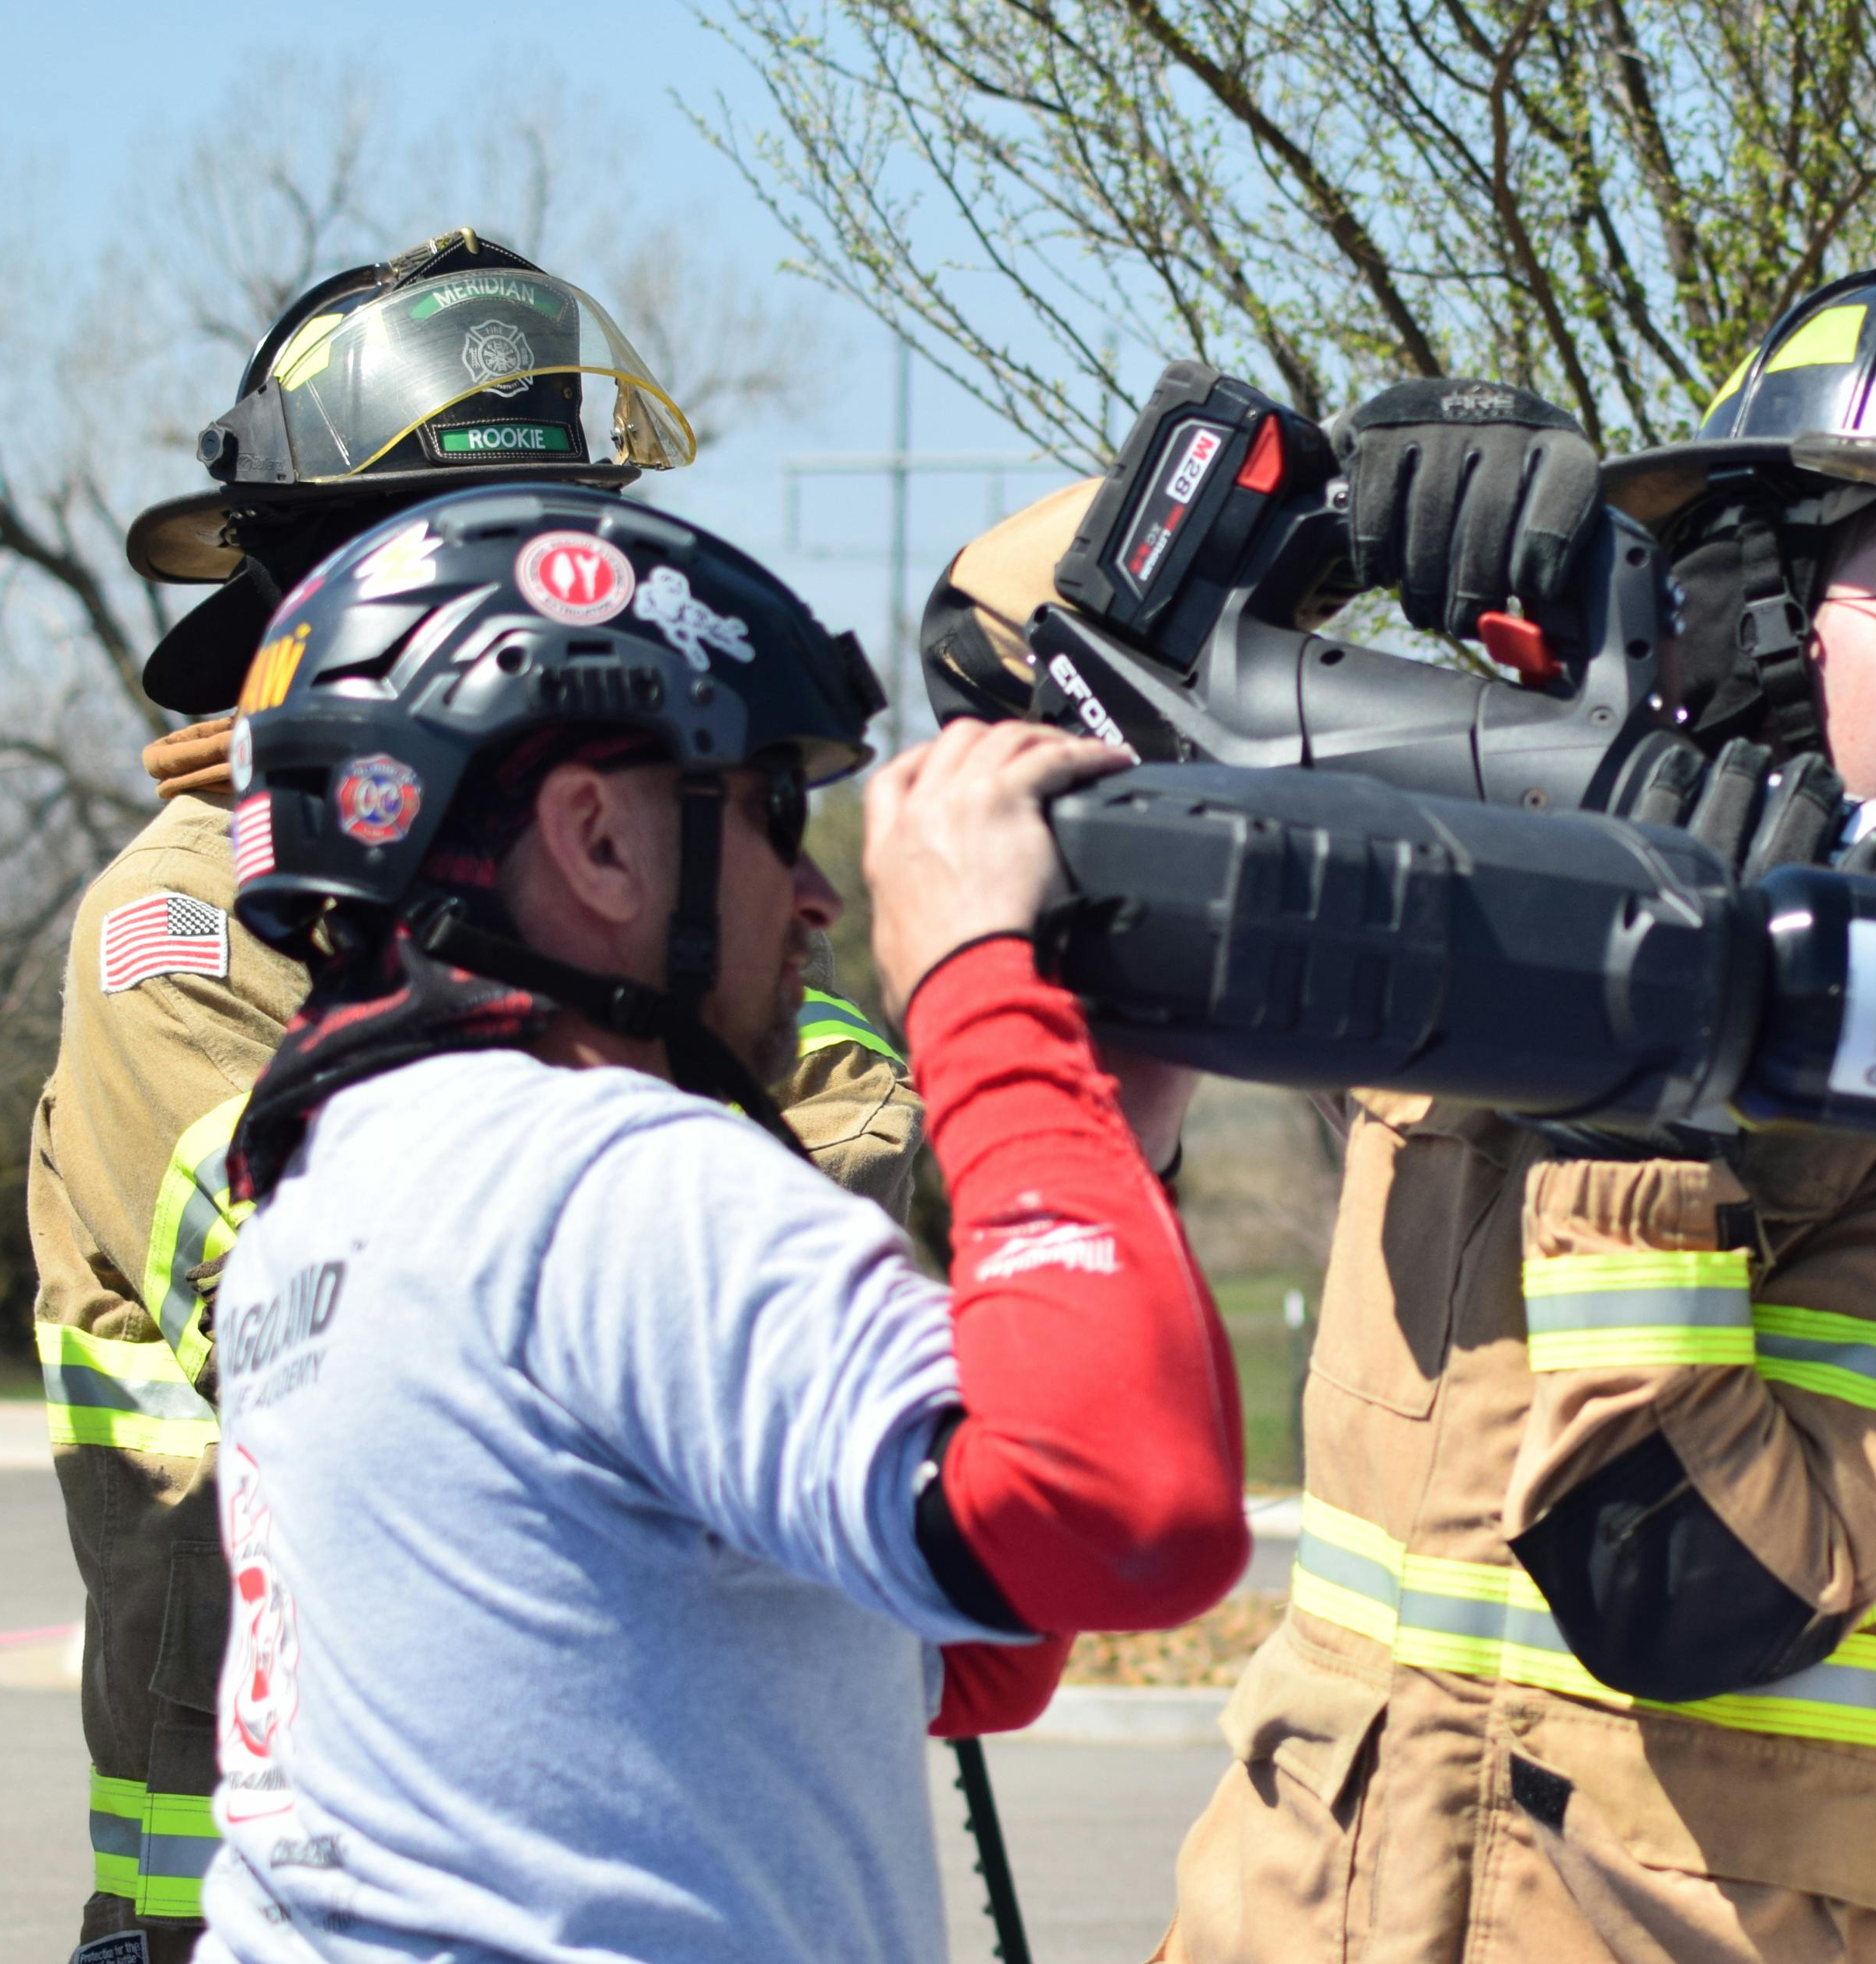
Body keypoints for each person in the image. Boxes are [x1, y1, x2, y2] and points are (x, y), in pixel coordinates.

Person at [924, 238, 1876, 1964]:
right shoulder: (1496, 872)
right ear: (1766, 632)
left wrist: (1641, 1069)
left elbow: (1681, 1573)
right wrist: (1351, 510)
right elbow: (998, 653)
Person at [25, 228, 924, 1964]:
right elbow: (376, 1298)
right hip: (255, 1899)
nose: (562, 597)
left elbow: (855, 1132)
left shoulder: (578, 883)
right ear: (333, 582)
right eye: (494, 551)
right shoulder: (185, 927)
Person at [189, 484, 1242, 1962]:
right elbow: (1122, 1517)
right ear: (599, 842)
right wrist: (978, 987)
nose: (814, 896)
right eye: (764, 812)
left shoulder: (330, 1200)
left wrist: (1105, 1129)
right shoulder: (597, 1177)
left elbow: (953, 1651)